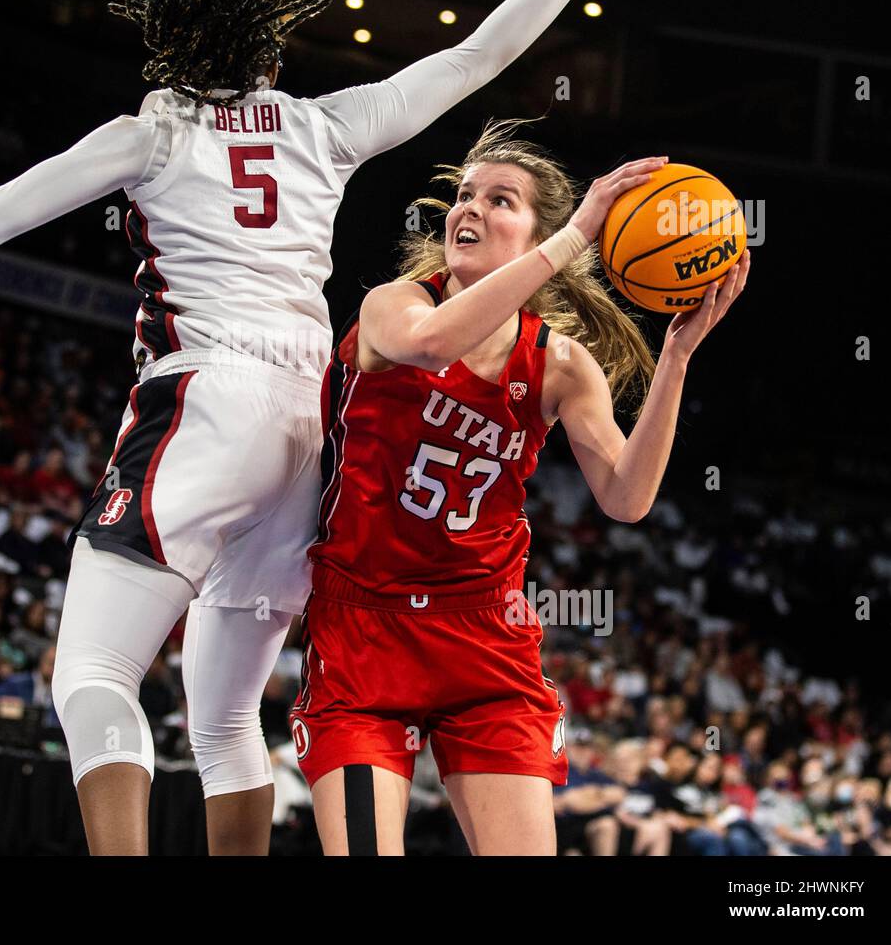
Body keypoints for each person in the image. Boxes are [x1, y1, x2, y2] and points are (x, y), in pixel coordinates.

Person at [0, 0, 701, 855]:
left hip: (207, 397)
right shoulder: (324, 125)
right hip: (304, 421)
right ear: (270, 50)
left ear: (176, 42)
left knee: (94, 677)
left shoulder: (153, 130)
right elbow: (477, 54)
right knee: (225, 721)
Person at [288, 120, 749, 854]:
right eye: (465, 194)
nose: (469, 209)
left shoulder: (561, 364)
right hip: (363, 628)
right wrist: (573, 240)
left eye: (501, 200)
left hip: (484, 638)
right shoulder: (395, 306)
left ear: (540, 233)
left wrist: (678, 356)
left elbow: (627, 500)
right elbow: (434, 343)